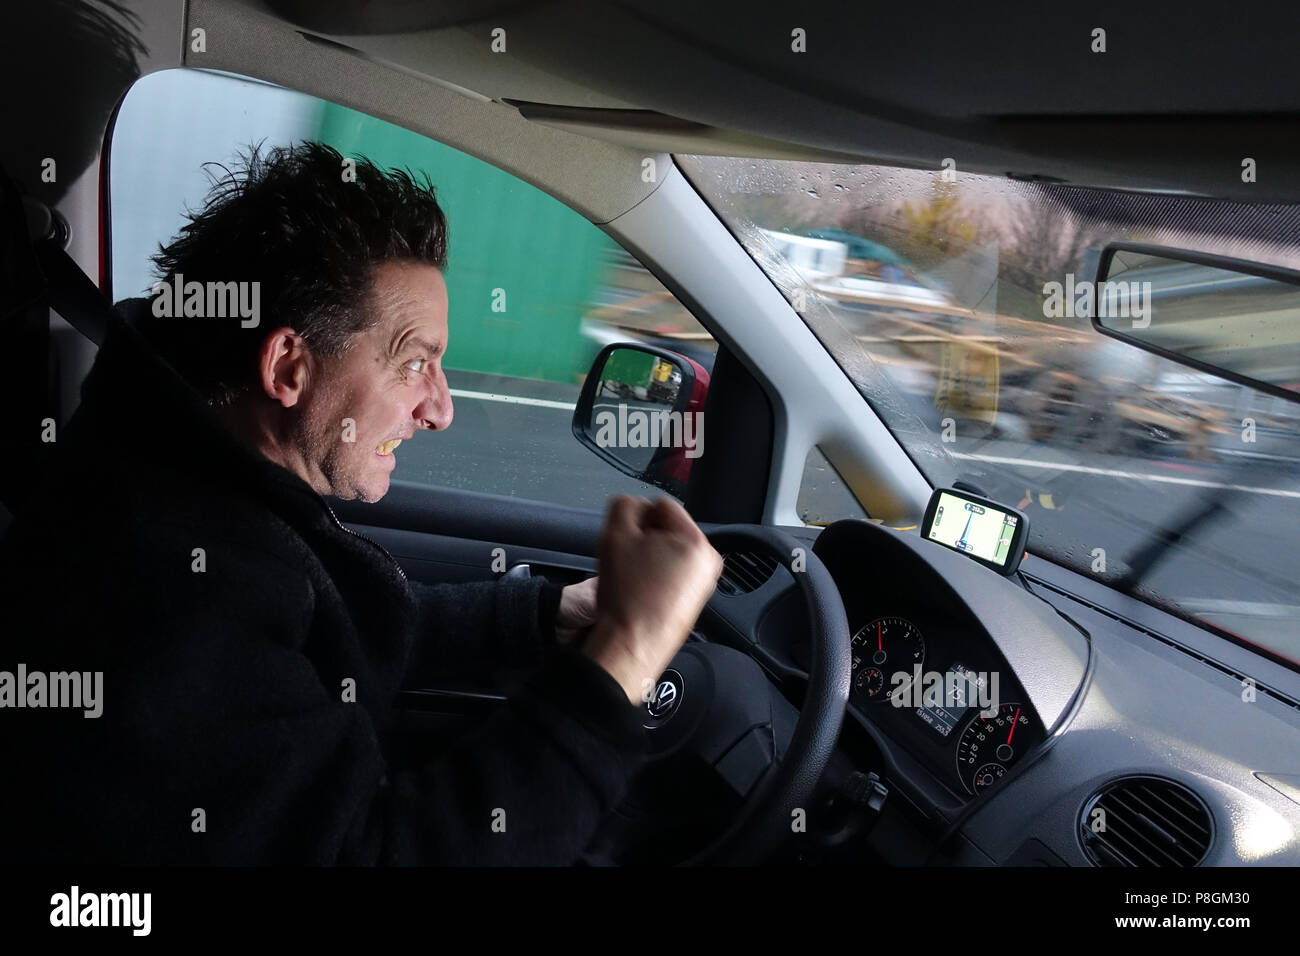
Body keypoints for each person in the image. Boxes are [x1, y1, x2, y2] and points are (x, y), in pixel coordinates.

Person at [0, 142, 722, 865]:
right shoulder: (170, 596)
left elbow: (334, 630)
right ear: (288, 366)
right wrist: (623, 659)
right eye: (415, 363)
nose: (440, 409)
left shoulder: (186, 473)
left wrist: (542, 619)